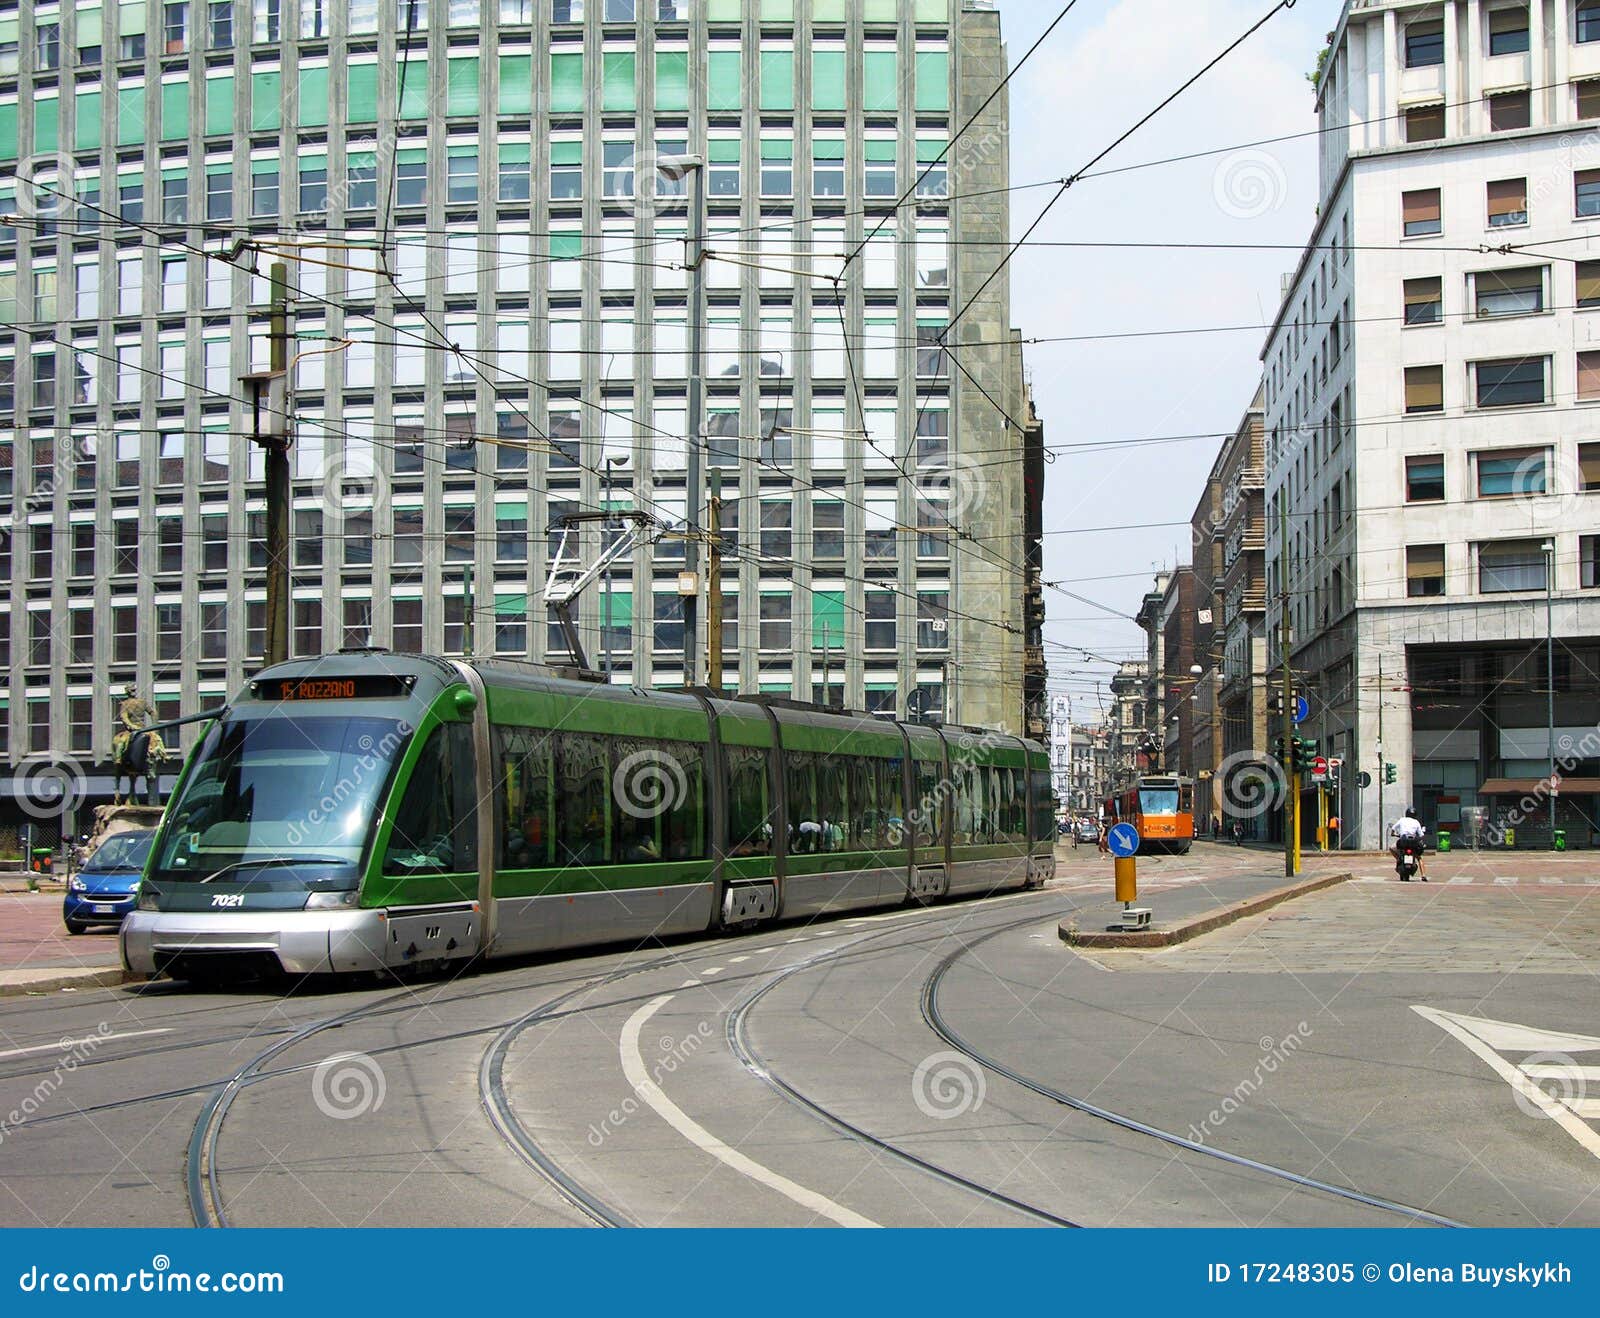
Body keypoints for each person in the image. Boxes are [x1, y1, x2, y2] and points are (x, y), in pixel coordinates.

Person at [1388, 807, 1428, 881]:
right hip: (1413, 843)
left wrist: (1393, 834)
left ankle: (1399, 859)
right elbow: (1421, 835)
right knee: (1419, 858)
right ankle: (1423, 875)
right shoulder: (1416, 822)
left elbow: (1393, 828)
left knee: (1391, 848)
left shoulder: (1402, 819)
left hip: (1403, 842)